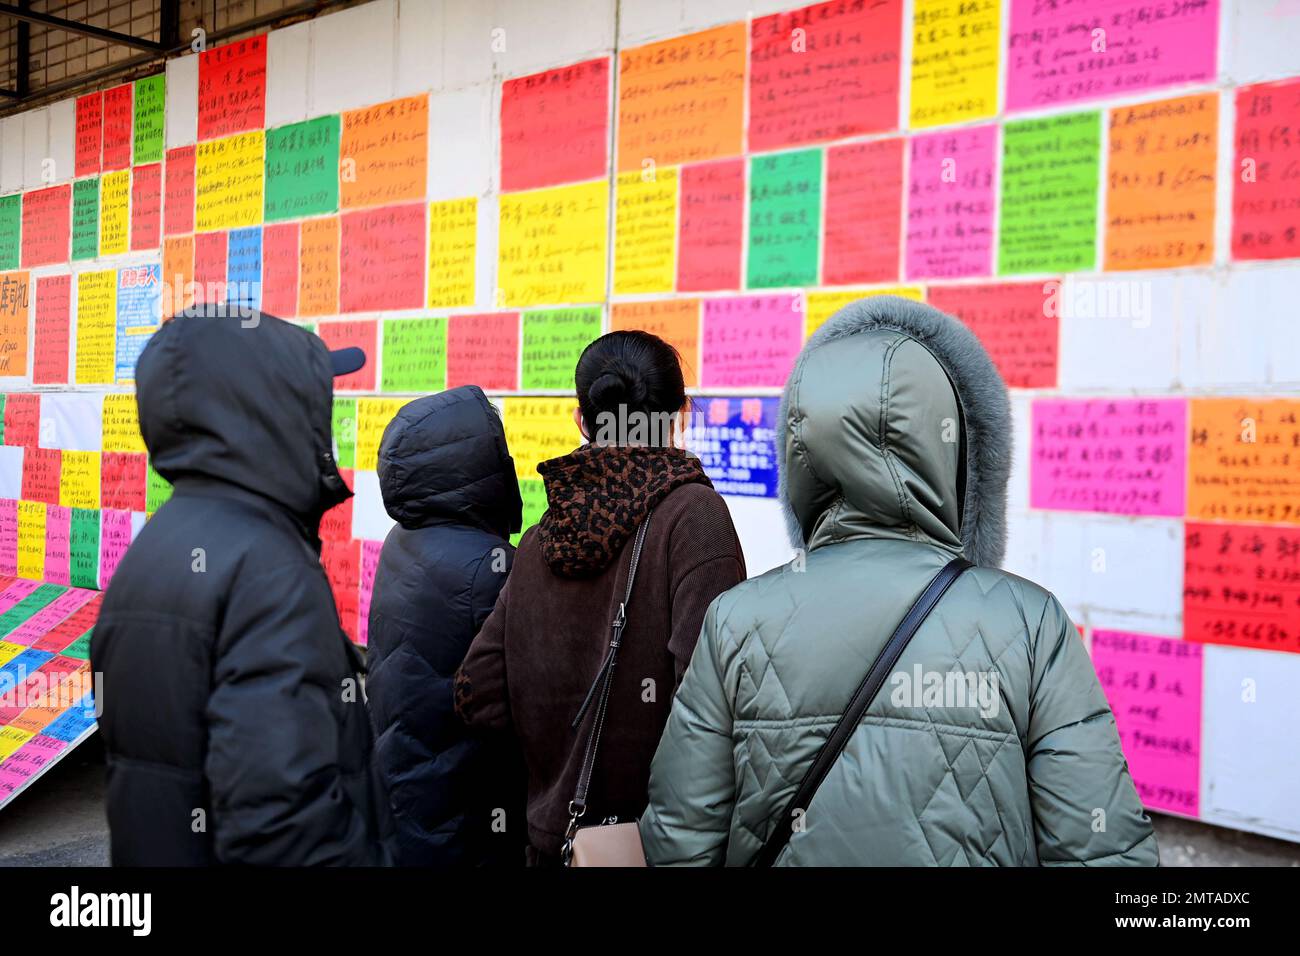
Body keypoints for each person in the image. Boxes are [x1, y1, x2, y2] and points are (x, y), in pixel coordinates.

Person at [639, 296, 1159, 866]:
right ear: (958, 455)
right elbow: (1102, 849)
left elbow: (679, 840)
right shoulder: (1030, 623)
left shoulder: (736, 618)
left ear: (800, 453)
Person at [91, 306, 392, 866]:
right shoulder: (269, 568)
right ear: (270, 410)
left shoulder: (158, 545)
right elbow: (283, 827)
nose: (327, 419)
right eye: (316, 398)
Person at [455, 330, 746, 865]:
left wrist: (551, 771)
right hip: (651, 851)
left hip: (552, 845)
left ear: (582, 421)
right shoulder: (696, 520)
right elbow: (713, 713)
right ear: (680, 415)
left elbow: (478, 692)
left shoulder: (542, 535)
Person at [366, 386, 527, 867]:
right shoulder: (489, 566)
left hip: (409, 795)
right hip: (464, 814)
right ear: (476, 468)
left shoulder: (406, 539)